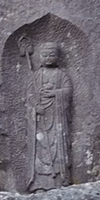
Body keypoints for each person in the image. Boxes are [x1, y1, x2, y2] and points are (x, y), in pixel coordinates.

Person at [27, 42, 72, 191]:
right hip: (41, 118)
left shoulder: (61, 74)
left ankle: (60, 180)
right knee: (41, 149)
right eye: (45, 55)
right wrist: (35, 107)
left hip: (57, 116)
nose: (48, 58)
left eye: (52, 55)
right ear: (40, 57)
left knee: (58, 145)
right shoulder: (36, 75)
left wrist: (54, 93)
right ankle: (39, 183)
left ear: (58, 57)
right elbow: (30, 95)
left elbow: (68, 92)